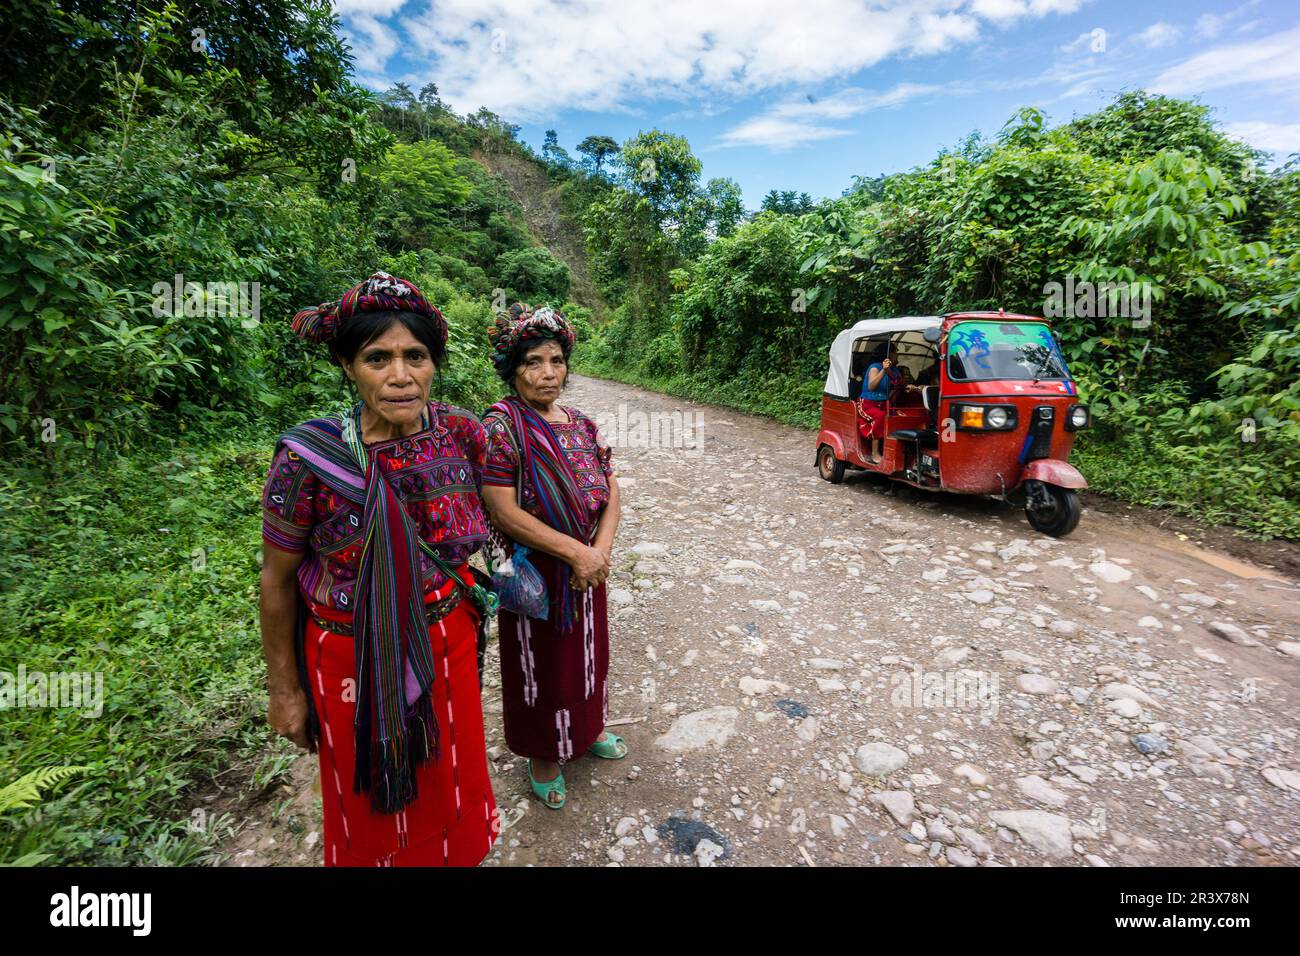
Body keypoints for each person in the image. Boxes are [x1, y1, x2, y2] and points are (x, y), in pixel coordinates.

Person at [258, 272, 498, 866]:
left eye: (415, 356)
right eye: (377, 358)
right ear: (347, 364)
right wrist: (285, 689)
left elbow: (503, 505)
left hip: (449, 638)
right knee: (373, 794)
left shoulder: (461, 431)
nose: (399, 375)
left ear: (434, 362)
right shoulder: (308, 459)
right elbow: (278, 580)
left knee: (453, 770)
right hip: (351, 656)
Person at [479, 303, 623, 810]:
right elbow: (500, 509)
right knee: (539, 665)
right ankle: (543, 754)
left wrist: (598, 553)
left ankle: (586, 731)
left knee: (587, 656)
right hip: (535, 573)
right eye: (533, 361)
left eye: (556, 360)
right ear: (513, 369)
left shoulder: (581, 423)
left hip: (587, 569)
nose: (548, 373)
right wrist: (573, 553)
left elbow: (611, 492)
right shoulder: (502, 426)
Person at [857, 344, 904, 461]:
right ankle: (874, 453)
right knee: (880, 416)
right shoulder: (875, 367)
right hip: (868, 404)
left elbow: (899, 386)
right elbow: (871, 386)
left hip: (885, 404)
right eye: (895, 352)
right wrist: (883, 370)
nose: (897, 354)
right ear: (889, 354)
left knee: (900, 416)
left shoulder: (895, 370)